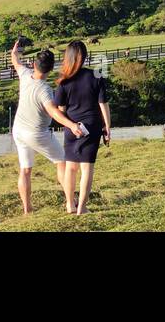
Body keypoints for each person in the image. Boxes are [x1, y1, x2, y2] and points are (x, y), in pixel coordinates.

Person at [10, 41, 86, 215]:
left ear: (34, 64)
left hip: (18, 130)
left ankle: (27, 209)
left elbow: (15, 59)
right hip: (37, 133)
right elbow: (54, 113)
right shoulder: (45, 90)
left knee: (25, 170)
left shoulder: (25, 73)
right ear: (51, 69)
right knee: (61, 163)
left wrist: (16, 50)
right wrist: (72, 125)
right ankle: (70, 202)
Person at [54, 41, 111, 215]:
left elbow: (60, 110)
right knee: (87, 168)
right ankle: (82, 207)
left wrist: (71, 124)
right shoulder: (96, 75)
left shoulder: (63, 80)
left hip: (72, 127)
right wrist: (107, 127)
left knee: (71, 168)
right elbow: (103, 104)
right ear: (85, 57)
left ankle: (70, 205)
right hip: (92, 127)